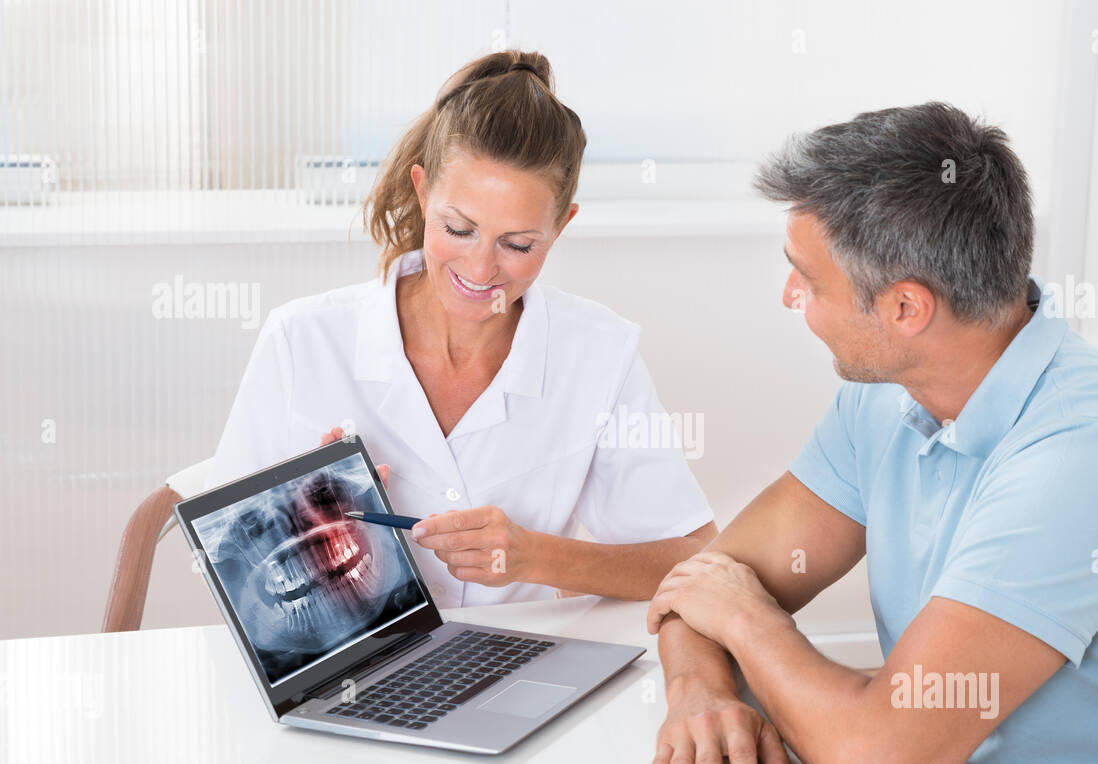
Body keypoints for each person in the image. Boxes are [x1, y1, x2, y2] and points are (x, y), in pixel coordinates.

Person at [644, 102, 1098, 764]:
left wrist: (746, 624)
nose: (789, 297)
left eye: (807, 279)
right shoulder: (887, 395)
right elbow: (701, 586)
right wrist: (698, 692)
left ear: (907, 307)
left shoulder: (1082, 465)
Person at [205, 51, 717, 606]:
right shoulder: (302, 341)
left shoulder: (598, 353)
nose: (480, 270)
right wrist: (307, 531)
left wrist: (535, 555)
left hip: (520, 669)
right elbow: (226, 562)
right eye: (459, 228)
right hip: (355, 683)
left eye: (518, 244)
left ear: (561, 225)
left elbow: (694, 561)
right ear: (423, 192)